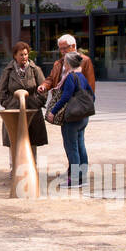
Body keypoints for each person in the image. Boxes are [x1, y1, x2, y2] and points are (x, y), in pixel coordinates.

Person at [0, 41, 48, 165]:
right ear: (15, 55)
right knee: (14, 139)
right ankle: (14, 166)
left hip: (32, 110)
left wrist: (36, 102)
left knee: (32, 140)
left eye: (26, 54)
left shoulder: (35, 70)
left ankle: (32, 165)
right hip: (14, 111)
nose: (24, 57)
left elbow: (43, 89)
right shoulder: (8, 71)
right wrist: (10, 104)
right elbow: (1, 93)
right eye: (21, 55)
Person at [50, 51, 96, 188]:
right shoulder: (82, 76)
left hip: (72, 118)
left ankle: (75, 180)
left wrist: (53, 111)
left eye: (64, 62)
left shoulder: (70, 77)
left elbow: (65, 97)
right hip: (83, 117)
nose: (63, 64)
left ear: (68, 64)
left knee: (72, 148)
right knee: (81, 146)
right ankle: (83, 178)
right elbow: (92, 96)